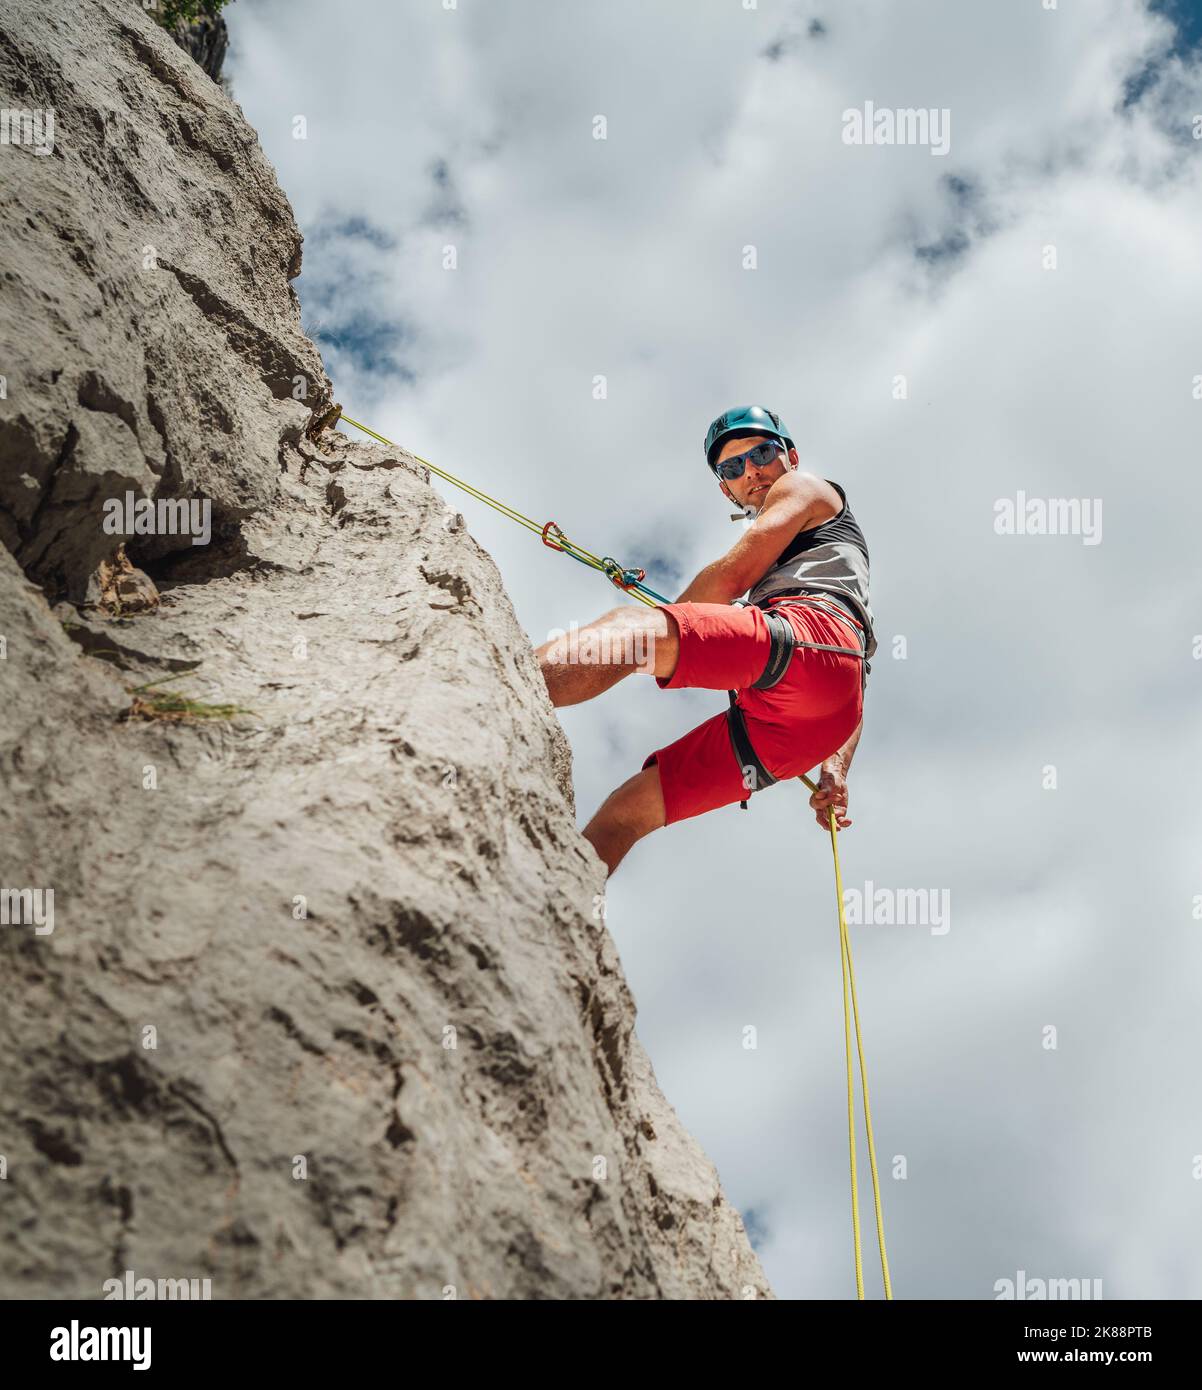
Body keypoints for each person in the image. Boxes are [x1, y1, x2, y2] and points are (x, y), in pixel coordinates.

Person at [534, 405, 878, 876]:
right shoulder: (826, 560)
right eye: (733, 467)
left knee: (633, 630)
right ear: (725, 487)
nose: (752, 471)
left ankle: (493, 686)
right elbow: (853, 673)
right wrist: (834, 770)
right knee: (629, 808)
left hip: (806, 640)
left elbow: (732, 578)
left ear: (790, 457)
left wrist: (666, 622)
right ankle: (561, 904)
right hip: (819, 712)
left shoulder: (804, 486)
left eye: (762, 453)